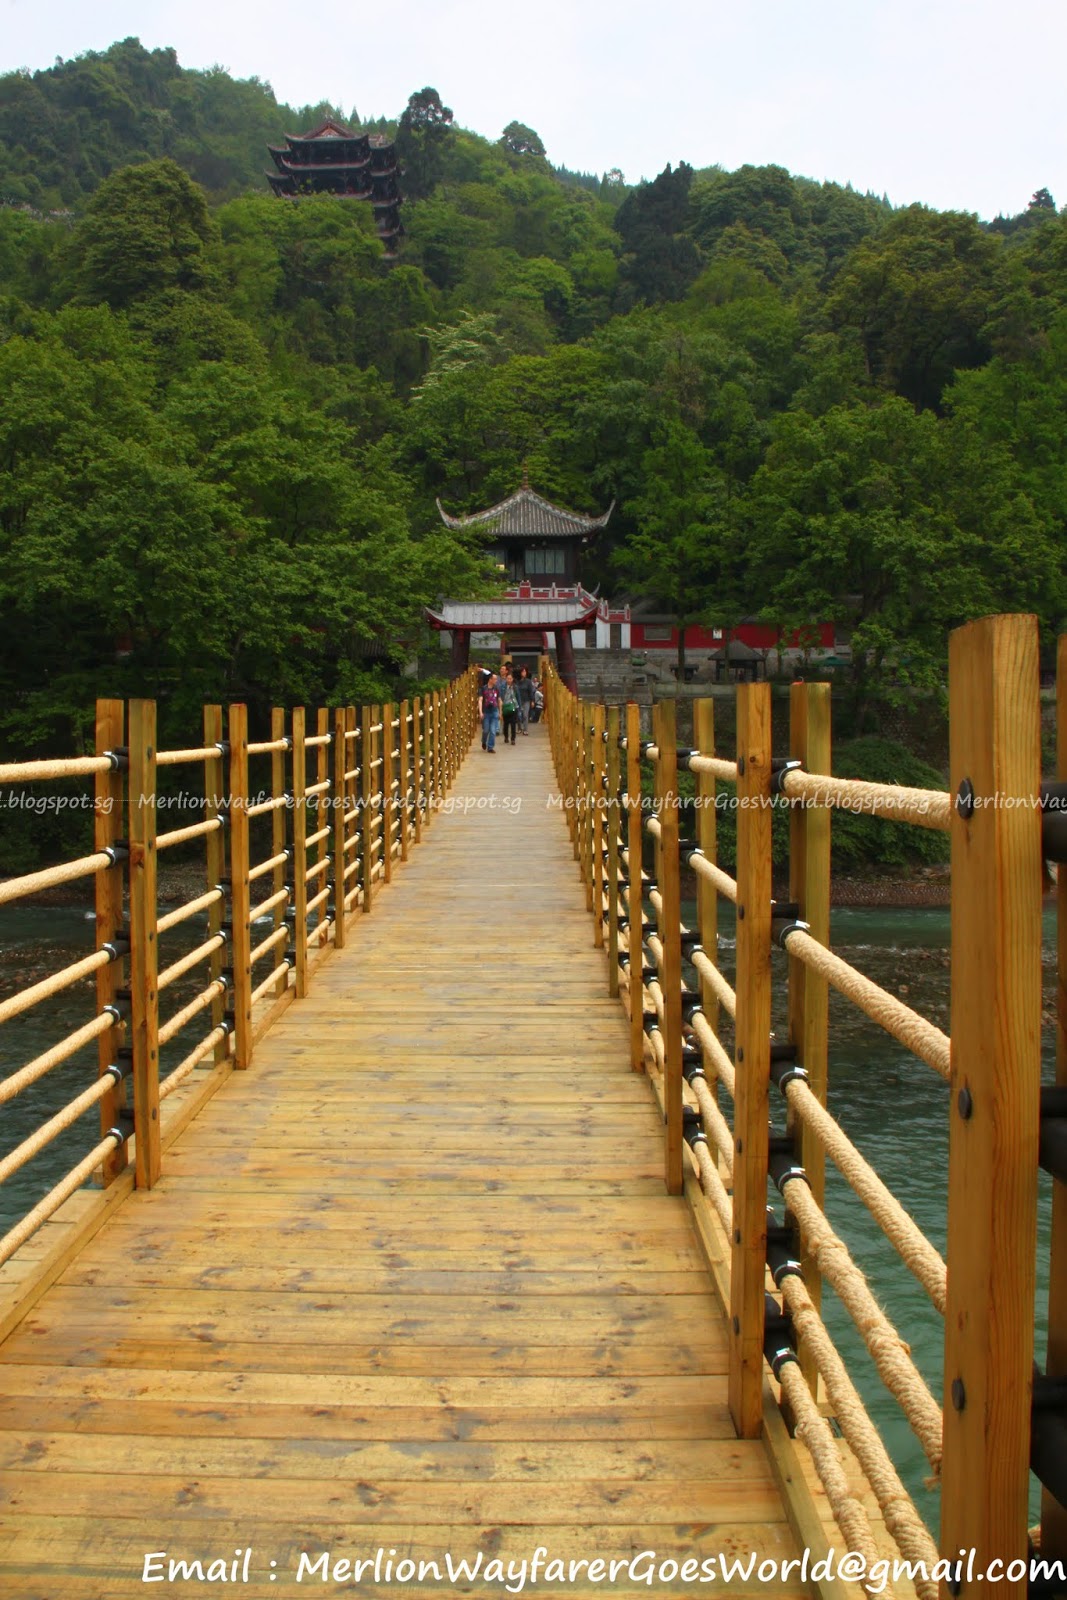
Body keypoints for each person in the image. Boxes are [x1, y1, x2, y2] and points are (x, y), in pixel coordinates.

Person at [479, 672, 500, 753]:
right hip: (486, 711)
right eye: (494, 679)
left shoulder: (496, 689)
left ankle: (490, 747)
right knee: (486, 730)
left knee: (493, 730)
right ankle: (484, 741)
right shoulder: (483, 688)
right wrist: (481, 712)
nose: (496, 680)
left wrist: (499, 712)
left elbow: (499, 700)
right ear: (490, 679)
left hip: (494, 711)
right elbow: (480, 700)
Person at [500, 672, 519, 745]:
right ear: (506, 679)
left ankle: (513, 739)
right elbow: (501, 697)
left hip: (514, 706)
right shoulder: (503, 687)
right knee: (506, 724)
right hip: (505, 706)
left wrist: (519, 707)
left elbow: (518, 696)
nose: (509, 680)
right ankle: (506, 737)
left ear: (512, 679)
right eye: (508, 678)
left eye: (510, 678)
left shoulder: (515, 687)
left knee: (513, 724)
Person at [515, 666, 534, 735]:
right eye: (523, 671)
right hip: (518, 700)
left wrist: (532, 700)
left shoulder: (528, 682)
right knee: (518, 715)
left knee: (525, 715)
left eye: (525, 671)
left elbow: (531, 691)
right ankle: (519, 728)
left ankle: (525, 729)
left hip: (526, 700)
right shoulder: (517, 681)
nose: (524, 673)